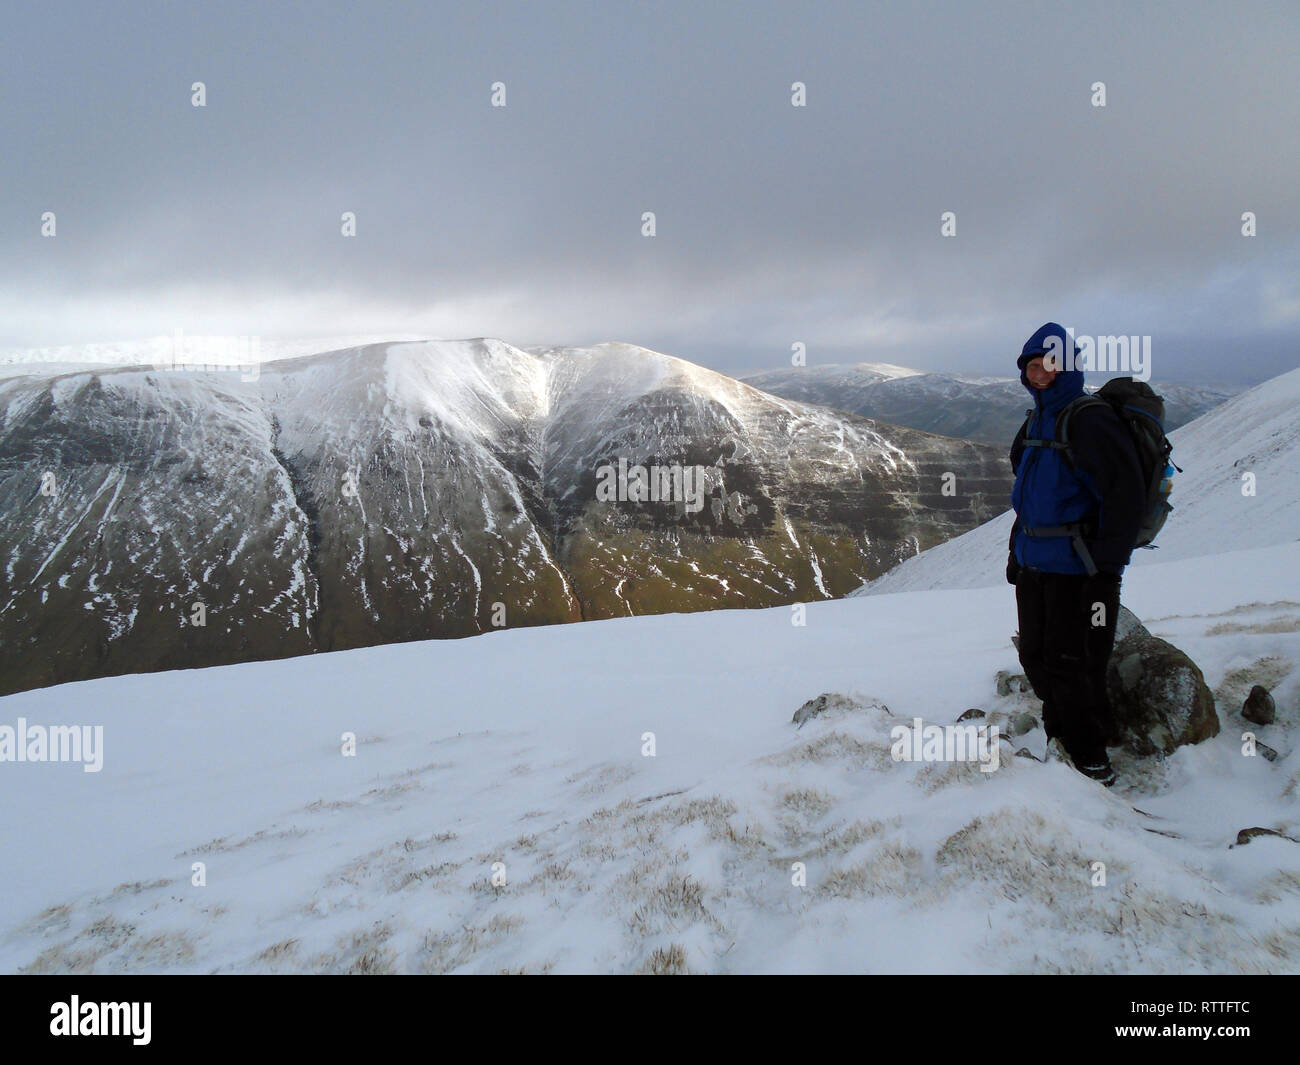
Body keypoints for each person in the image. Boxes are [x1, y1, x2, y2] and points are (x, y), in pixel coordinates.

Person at [1006, 322, 1145, 786]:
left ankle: (1091, 761)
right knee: (1035, 656)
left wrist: (1107, 569)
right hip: (1034, 562)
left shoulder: (1088, 420)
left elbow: (1123, 496)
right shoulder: (1037, 420)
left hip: (1078, 568)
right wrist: (1016, 550)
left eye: (1049, 364)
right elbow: (1027, 495)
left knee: (1072, 662)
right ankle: (1061, 739)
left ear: (1066, 367)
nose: (1040, 373)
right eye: (1032, 364)